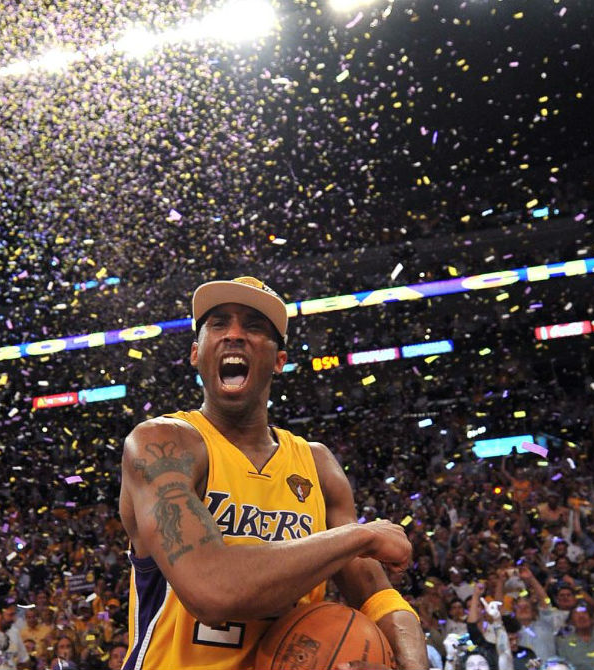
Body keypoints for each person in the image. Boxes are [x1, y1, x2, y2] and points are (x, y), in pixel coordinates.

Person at [118, 276, 426, 669]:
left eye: (254, 326)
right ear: (196, 353)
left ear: (279, 360)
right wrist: (357, 535)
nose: (234, 335)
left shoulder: (317, 465)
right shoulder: (162, 444)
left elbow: (376, 595)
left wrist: (412, 662)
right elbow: (212, 591)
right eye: (218, 324)